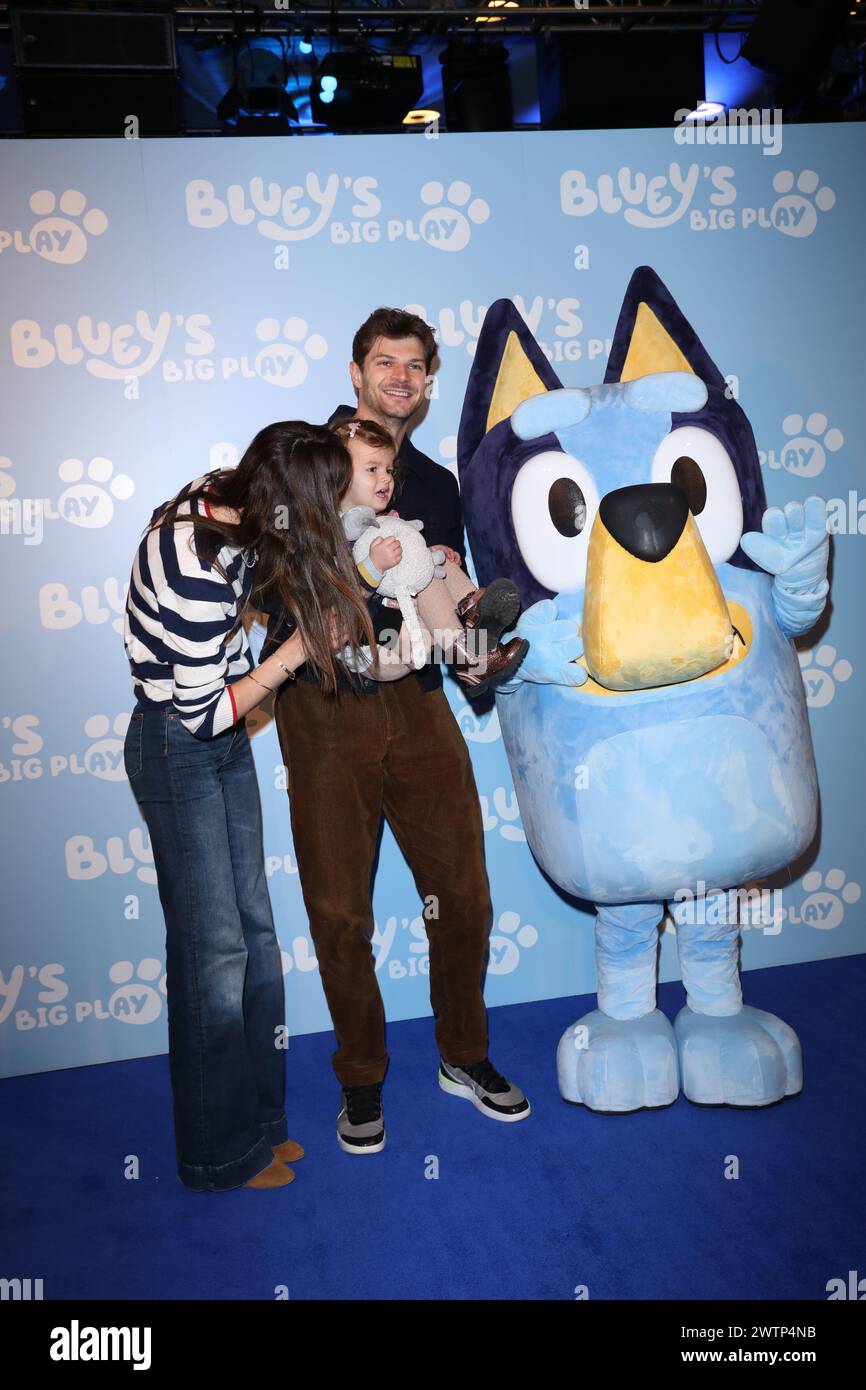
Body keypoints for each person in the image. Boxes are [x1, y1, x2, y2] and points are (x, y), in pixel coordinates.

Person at [263, 308, 531, 1156]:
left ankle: (465, 1056)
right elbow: (269, 582)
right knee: (340, 910)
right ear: (355, 371)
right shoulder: (302, 463)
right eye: (385, 362)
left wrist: (469, 651)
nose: (401, 378)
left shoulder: (436, 483)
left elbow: (435, 591)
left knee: (465, 892)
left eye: (415, 365)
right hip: (322, 705)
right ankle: (362, 1078)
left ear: (426, 379)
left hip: (417, 698)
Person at [122, 421, 376, 1191]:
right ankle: (216, 1153)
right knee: (213, 954)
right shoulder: (193, 558)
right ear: (283, 502)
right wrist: (295, 654)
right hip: (179, 747)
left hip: (221, 741)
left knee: (256, 939)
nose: (333, 515)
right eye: (325, 501)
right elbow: (200, 715)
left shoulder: (235, 512)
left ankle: (262, 1126)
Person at [333, 416, 529, 694]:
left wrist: (432, 554)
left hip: (412, 631)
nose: (386, 478)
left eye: (389, 470)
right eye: (372, 469)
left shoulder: (389, 520)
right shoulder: (334, 531)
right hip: (373, 645)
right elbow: (337, 593)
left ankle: (474, 612)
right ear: (338, 475)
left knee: (436, 562)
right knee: (422, 575)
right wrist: (374, 565)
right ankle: (468, 659)